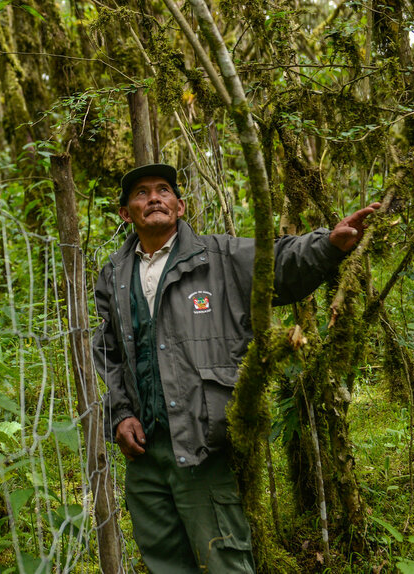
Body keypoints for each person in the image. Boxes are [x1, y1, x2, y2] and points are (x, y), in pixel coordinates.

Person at [92, 163, 379, 574]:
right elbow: (106, 352)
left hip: (202, 442)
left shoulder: (221, 257)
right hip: (144, 452)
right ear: (125, 214)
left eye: (163, 190)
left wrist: (329, 243)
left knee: (224, 558)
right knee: (164, 562)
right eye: (140, 193)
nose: (153, 197)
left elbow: (280, 261)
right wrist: (120, 414)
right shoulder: (114, 276)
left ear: (180, 205)